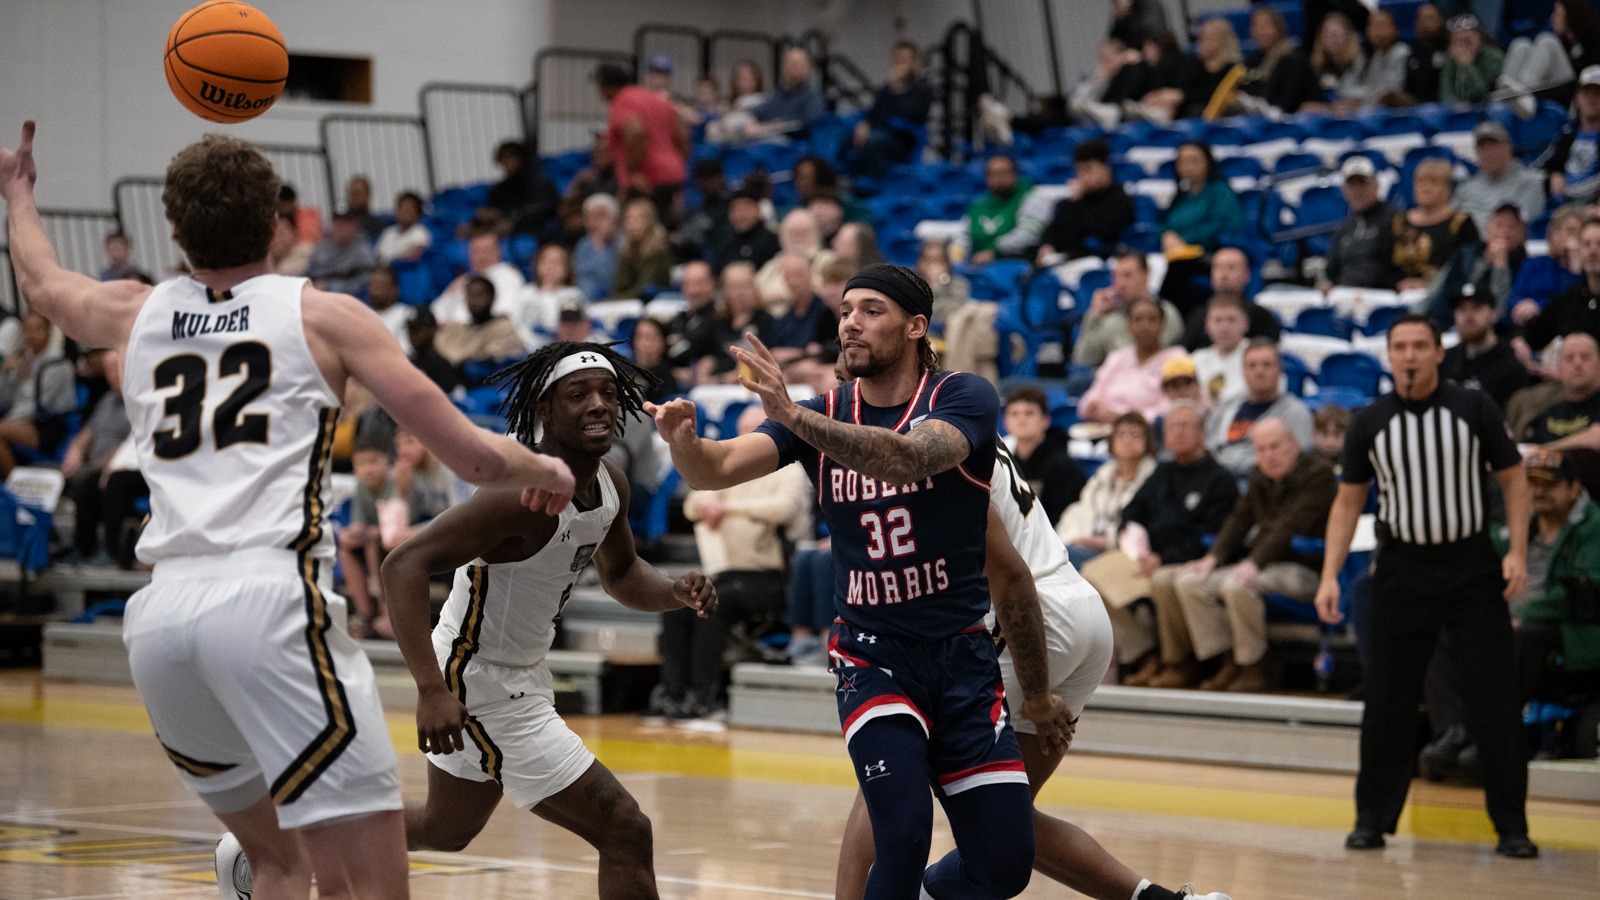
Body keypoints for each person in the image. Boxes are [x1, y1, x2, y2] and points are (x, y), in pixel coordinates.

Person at [0, 122, 578, 899]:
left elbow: (39, 284)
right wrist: (545, 466)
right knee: (371, 886)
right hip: (269, 605)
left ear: (173, 229)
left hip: (162, 620)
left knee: (279, 864)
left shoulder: (135, 310)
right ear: (278, 220)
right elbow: (472, 457)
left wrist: (18, 190)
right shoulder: (323, 315)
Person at [648, 263, 1071, 899]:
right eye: (846, 309)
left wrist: (792, 414)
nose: (851, 321)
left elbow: (908, 458)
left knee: (1004, 865)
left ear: (915, 326)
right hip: (873, 655)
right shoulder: (822, 412)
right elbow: (716, 469)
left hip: (962, 657)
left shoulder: (963, 396)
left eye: (872, 309)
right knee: (900, 835)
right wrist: (682, 442)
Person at [338, 342, 711, 897]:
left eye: (609, 393)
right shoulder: (518, 496)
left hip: (516, 674)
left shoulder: (611, 482)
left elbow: (623, 572)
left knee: (446, 830)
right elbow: (402, 564)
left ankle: (273, 850)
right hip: (479, 682)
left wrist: (675, 592)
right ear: (543, 410)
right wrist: (431, 690)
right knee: (625, 828)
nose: (599, 404)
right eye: (578, 394)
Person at [835, 421, 1231, 900]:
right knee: (1009, 818)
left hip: (1025, 613)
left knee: (889, 775)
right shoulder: (957, 416)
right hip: (1082, 609)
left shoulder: (914, 437)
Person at [1315, 313, 1537, 859]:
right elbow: (1347, 502)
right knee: (1389, 697)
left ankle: (1513, 827)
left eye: (1420, 345)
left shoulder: (1474, 407)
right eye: (1400, 347)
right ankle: (1372, 820)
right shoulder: (1370, 420)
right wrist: (1328, 575)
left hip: (1470, 567)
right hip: (1401, 568)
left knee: (1494, 698)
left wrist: (1516, 551)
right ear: (1389, 356)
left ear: (1440, 352)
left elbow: (1514, 478)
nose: (1410, 356)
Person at [1078, 402, 1237, 687]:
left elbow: (1209, 537)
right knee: (1091, 576)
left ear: (1202, 432)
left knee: (1165, 580)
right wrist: (1138, 548)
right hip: (1147, 558)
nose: (1177, 432)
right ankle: (1145, 653)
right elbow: (1132, 511)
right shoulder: (1163, 473)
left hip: (1186, 560)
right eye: (1172, 426)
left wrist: (1161, 558)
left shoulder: (1219, 479)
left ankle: (1184, 661)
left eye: (1185, 426)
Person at [1173, 418, 1338, 692]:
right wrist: (1213, 558)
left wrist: (1253, 562)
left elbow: (1289, 526)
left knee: (1238, 584)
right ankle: (1230, 662)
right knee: (1190, 583)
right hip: (1264, 564)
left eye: (1275, 447)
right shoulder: (1260, 475)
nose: (1268, 456)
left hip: (1306, 568)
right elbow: (1240, 518)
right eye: (1261, 449)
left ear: (1294, 445)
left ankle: (1255, 666)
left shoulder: (1318, 475)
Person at [1056, 412, 1157, 570]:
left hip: (1125, 551)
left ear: (1148, 441)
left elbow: (1145, 524)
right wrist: (1079, 538)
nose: (1127, 440)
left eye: (1135, 435)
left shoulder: (1154, 478)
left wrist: (1108, 541)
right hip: (1087, 543)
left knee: (1064, 562)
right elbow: (1080, 510)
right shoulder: (1102, 475)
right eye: (1121, 434)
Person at [1205, 340, 1315, 483]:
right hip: (1219, 483)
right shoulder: (1227, 408)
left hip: (1265, 484)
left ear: (1280, 371)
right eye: (1252, 365)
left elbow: (1297, 460)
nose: (1259, 371)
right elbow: (1207, 449)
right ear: (1243, 372)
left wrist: (1229, 464)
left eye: (1267, 365)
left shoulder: (1296, 413)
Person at [61, 347, 130, 564]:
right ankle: (45, 544)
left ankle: (88, 549)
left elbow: (136, 443)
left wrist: (105, 461)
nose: (115, 374)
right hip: (93, 462)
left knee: (88, 480)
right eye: (109, 370)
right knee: (46, 473)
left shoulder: (139, 401)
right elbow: (87, 433)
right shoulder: (107, 400)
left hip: (119, 464)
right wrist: (75, 450)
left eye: (119, 368)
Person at [596, 64, 687, 223]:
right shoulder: (654, 98)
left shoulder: (622, 101)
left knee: (639, 231)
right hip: (672, 177)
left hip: (646, 180)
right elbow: (683, 134)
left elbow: (636, 131)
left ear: (605, 87)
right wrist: (679, 162)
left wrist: (634, 171)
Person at [1078, 297, 1186, 424]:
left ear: (1162, 324)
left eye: (1152, 319)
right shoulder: (1117, 357)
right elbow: (1093, 394)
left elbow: (1171, 408)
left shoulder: (1176, 359)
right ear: (1129, 325)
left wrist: (1123, 419)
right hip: (1102, 428)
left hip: (1148, 434)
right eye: (1138, 320)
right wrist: (1091, 406)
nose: (1144, 326)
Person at [1071, 249, 1184, 370]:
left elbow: (1152, 357)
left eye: (1127, 275)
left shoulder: (1166, 312)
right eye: (1116, 276)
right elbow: (1083, 360)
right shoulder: (1109, 318)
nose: (1120, 283)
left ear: (1146, 275)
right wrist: (1094, 315)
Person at [1034, 139, 1138, 264]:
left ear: (1106, 168)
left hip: (1099, 261)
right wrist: (1048, 244)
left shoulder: (1121, 200)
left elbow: (1101, 233)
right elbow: (1054, 230)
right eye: (1079, 170)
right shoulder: (1072, 201)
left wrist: (1076, 204)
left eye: (1088, 170)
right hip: (1065, 259)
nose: (1083, 176)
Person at [844, 40, 935, 179]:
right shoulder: (885, 90)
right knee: (846, 138)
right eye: (898, 59)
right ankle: (849, 181)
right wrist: (865, 125)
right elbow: (874, 113)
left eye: (905, 60)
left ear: (914, 62)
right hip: (881, 132)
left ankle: (875, 183)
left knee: (874, 142)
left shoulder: (922, 90)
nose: (901, 64)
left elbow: (911, 114)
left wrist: (897, 89)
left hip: (904, 139)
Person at [0, 310, 75, 476]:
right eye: (27, 329)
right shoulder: (22, 359)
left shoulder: (57, 364)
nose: (31, 335)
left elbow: (38, 406)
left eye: (37, 329)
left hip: (47, 425)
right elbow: (4, 400)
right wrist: (5, 371)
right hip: (18, 420)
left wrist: (7, 421)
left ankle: (16, 484)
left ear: (47, 331)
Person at [1391, 158, 1480, 294]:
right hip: (1398, 293)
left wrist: (1429, 285)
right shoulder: (1399, 221)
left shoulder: (1461, 222)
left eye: (1433, 182)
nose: (1425, 188)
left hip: (1444, 295)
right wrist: (1398, 284)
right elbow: (1384, 264)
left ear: (1448, 188)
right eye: (1420, 182)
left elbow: (1467, 268)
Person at [1518, 217, 1600, 361]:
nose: (1593, 251)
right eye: (1586, 244)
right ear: (1579, 250)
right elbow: (1534, 332)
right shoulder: (1570, 298)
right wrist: (1519, 341)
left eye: (1599, 244)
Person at [1003, 387, 1084, 526]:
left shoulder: (1063, 465)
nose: (1021, 419)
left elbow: (1065, 517)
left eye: (1029, 413)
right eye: (1014, 414)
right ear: (1005, 422)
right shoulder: (1003, 465)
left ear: (1045, 420)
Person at [1321, 157, 1399, 291]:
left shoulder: (1395, 220)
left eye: (1362, 183)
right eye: (1352, 185)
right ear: (1344, 191)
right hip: (1344, 294)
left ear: (1376, 185)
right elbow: (1331, 272)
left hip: (1382, 295)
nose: (1357, 191)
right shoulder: (1344, 228)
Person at [1180, 247, 1281, 349]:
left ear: (1247, 275)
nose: (1224, 274)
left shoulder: (1261, 316)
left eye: (1231, 267)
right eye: (1218, 268)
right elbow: (1183, 351)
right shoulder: (1198, 315)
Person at [1456, 122, 1547, 231]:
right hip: (1469, 245)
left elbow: (1524, 222)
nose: (1488, 152)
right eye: (1482, 147)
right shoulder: (1465, 188)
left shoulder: (1531, 182)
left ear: (1509, 148)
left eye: (1493, 145)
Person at [1508, 204, 1585, 325]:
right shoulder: (1535, 263)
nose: (1562, 236)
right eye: (1558, 230)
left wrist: (1575, 265)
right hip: (1530, 323)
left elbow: (1574, 303)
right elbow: (1515, 295)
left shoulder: (1589, 270)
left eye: (1571, 231)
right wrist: (1520, 305)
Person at [1237, 5, 1318, 116]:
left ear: (1278, 28)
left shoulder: (1293, 59)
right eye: (1257, 26)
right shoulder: (1253, 61)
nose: (1261, 32)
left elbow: (1289, 101)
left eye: (1266, 26)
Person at [433, 232, 525, 325]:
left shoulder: (507, 275)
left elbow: (503, 313)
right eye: (475, 251)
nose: (481, 257)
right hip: (451, 331)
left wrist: (457, 325)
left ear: (498, 251)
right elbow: (436, 310)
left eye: (486, 251)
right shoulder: (464, 280)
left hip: (484, 332)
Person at [434, 276, 526, 367]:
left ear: (492, 297)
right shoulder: (458, 330)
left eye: (479, 295)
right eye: (470, 296)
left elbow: (490, 359)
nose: (474, 302)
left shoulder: (503, 328)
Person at [1541, 66, 1600, 206]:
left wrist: (1573, 192)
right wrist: (1554, 175)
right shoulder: (1567, 133)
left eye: (1597, 94)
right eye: (1587, 93)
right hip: (1561, 207)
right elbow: (1546, 165)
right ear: (1578, 97)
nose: (1592, 100)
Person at [959, 156, 1035, 264]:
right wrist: (957, 253)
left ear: (1015, 174)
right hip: (979, 265)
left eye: (1003, 172)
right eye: (993, 174)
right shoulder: (978, 204)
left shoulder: (1030, 197)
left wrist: (994, 250)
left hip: (1016, 263)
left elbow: (1028, 235)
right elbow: (963, 237)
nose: (999, 178)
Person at [1527, 332, 1600, 442]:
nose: (1577, 363)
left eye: (1585, 357)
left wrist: (1546, 449)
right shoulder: (1550, 413)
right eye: (1569, 358)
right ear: (1559, 368)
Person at [511, 243, 584, 348]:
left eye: (557, 263)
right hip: (527, 348)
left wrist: (548, 293)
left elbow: (577, 327)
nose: (551, 267)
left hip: (562, 348)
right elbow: (514, 322)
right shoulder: (525, 293)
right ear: (537, 265)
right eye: (546, 262)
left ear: (567, 268)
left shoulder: (573, 294)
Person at [747, 48, 828, 139]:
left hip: (795, 145)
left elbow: (810, 122)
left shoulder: (813, 96)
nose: (790, 68)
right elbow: (764, 109)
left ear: (807, 68)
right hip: (770, 139)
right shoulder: (780, 93)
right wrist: (751, 119)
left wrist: (780, 123)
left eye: (795, 64)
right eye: (787, 64)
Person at [484, 140, 559, 238]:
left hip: (535, 231)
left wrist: (508, 217)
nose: (508, 163)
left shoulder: (540, 184)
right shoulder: (498, 190)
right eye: (504, 159)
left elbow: (544, 208)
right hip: (503, 234)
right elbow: (492, 213)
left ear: (521, 159)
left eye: (512, 158)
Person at [1343, 10, 1412, 108]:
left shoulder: (1402, 53)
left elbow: (1389, 93)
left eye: (1382, 26)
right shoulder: (1366, 56)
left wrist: (1363, 97)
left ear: (1395, 30)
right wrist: (1371, 94)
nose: (1377, 31)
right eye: (1373, 26)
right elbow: (1345, 88)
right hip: (1367, 109)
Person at [1190, 294, 1250, 407]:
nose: (1224, 327)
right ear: (1207, 325)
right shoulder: (1196, 360)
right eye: (1217, 320)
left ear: (1245, 323)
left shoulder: (1258, 356)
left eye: (1231, 320)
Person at [612, 197, 674, 300]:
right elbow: (620, 285)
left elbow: (646, 289)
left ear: (650, 221)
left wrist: (616, 299)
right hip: (629, 302)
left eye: (638, 220)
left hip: (654, 303)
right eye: (628, 219)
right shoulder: (626, 251)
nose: (632, 225)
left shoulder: (657, 251)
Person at [305, 209, 377, 297]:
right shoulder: (322, 247)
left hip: (345, 299)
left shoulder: (363, 252)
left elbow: (363, 283)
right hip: (315, 293)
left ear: (355, 225)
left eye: (346, 223)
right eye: (338, 222)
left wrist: (329, 287)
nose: (341, 227)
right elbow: (307, 272)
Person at [709, 188, 779, 274]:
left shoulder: (773, 241)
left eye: (746, 208)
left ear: (758, 210)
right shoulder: (723, 244)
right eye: (735, 210)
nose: (741, 215)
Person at [1440, 13, 1506, 104]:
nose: (1462, 47)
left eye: (1467, 41)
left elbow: (1481, 93)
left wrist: (1467, 65)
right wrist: (1454, 106)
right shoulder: (1450, 60)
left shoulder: (1494, 57)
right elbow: (1446, 91)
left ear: (1478, 37)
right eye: (1456, 42)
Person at [1395, 3, 1450, 105]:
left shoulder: (1450, 50)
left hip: (1445, 108)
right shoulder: (1413, 52)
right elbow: (1408, 89)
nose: (1425, 24)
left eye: (1430, 18)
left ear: (1441, 21)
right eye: (1420, 19)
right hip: (1417, 110)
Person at [575, 193, 623, 301]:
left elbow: (613, 281)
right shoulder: (583, 246)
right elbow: (584, 281)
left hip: (621, 299)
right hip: (592, 303)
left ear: (614, 218)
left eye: (600, 216)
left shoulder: (625, 242)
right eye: (589, 217)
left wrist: (602, 246)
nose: (594, 222)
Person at [376, 191, 432, 265]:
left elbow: (416, 256)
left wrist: (394, 261)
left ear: (417, 213)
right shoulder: (388, 232)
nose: (403, 213)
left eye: (408, 210)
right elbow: (377, 256)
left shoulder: (420, 232)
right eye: (400, 209)